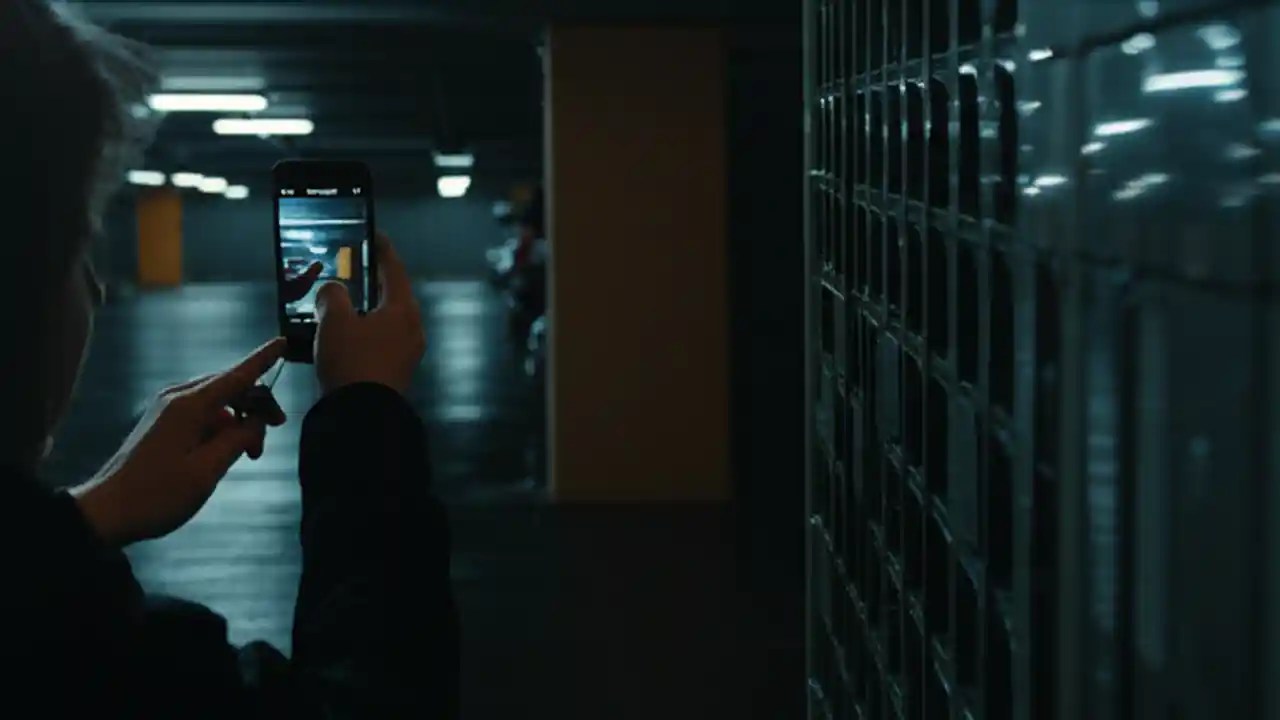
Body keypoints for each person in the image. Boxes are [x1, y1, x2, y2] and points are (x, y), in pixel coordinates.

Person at [0, 2, 459, 716]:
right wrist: (367, 415)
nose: (89, 282)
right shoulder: (115, 670)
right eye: (80, 240)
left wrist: (90, 515)